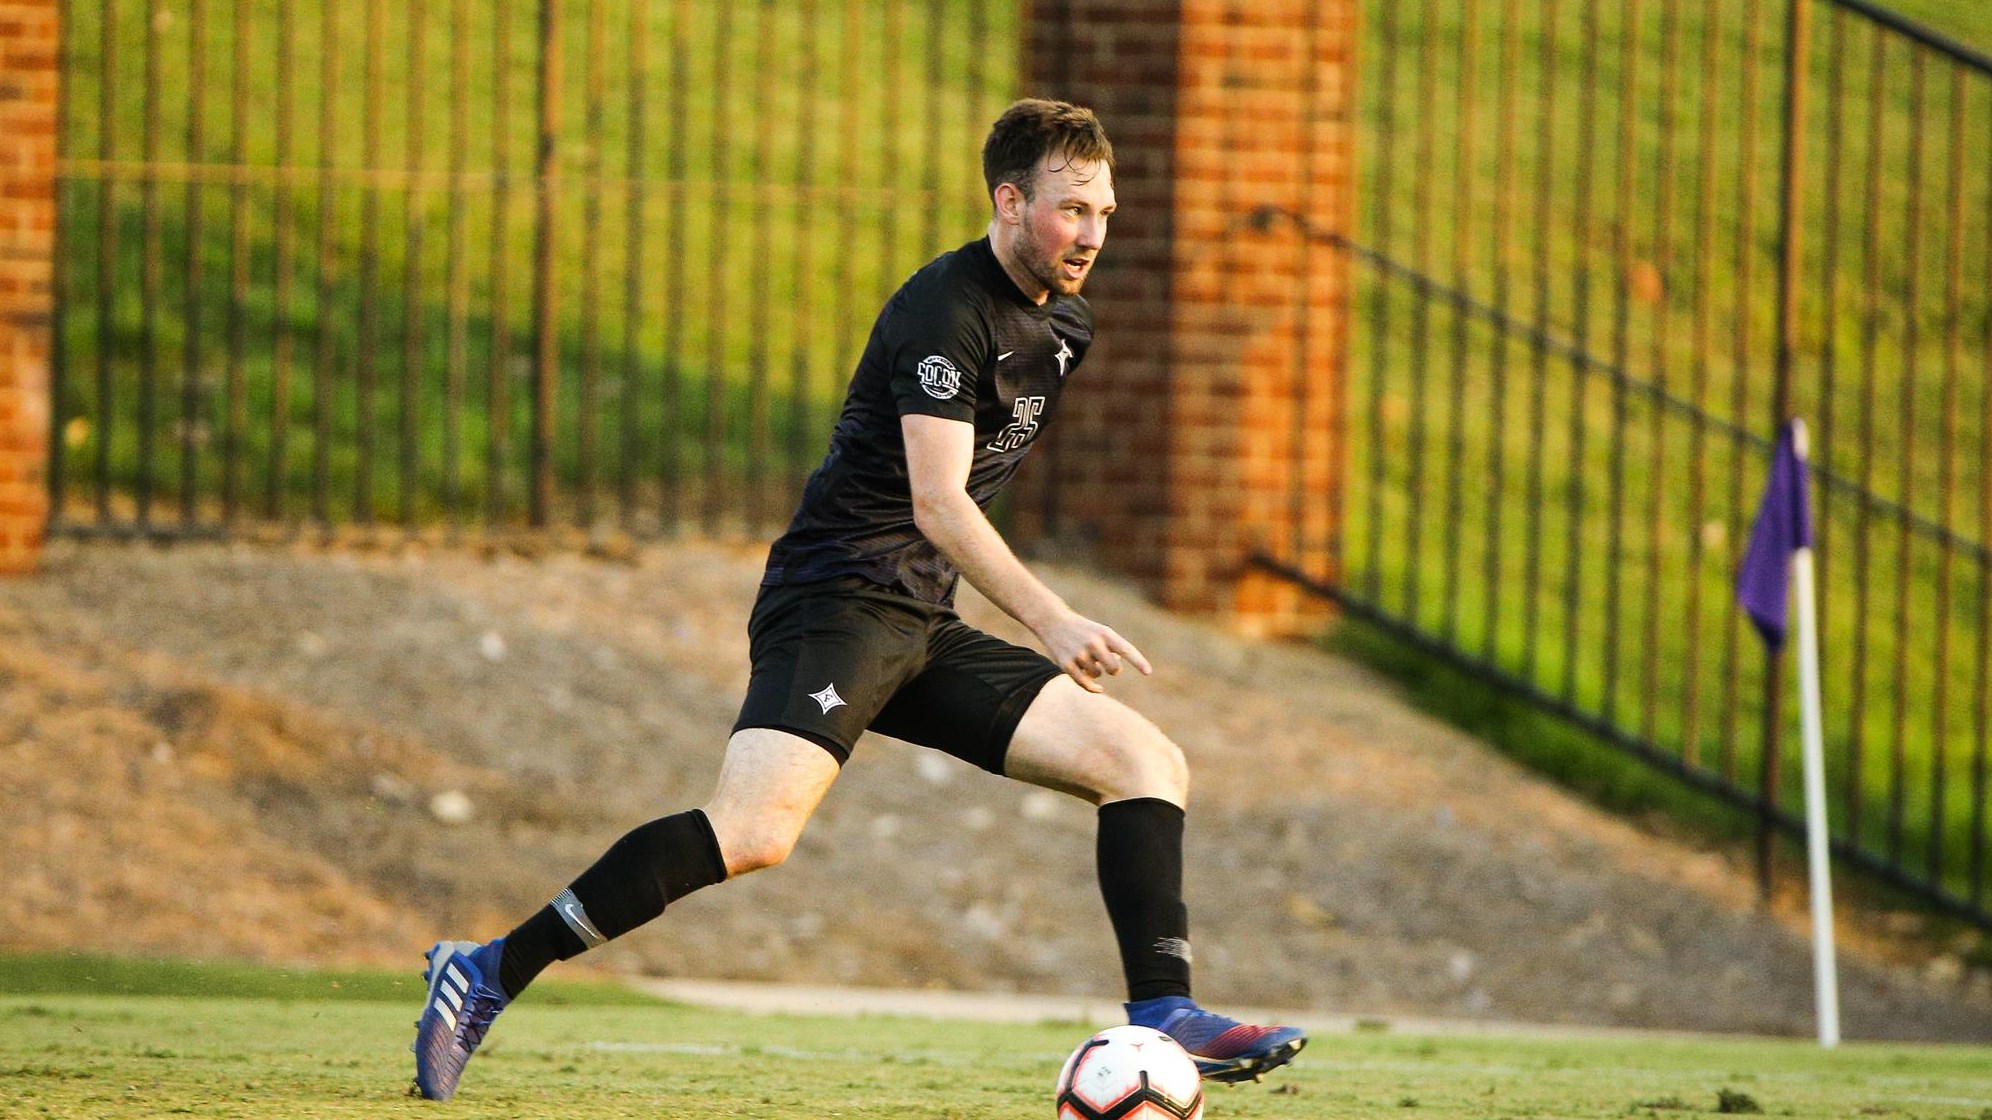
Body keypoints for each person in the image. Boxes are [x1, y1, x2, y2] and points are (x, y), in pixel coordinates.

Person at [411, 98, 1306, 1102]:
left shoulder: (1068, 323)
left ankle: (1164, 1012)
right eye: (1070, 210)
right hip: (835, 602)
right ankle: (486, 971)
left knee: (1144, 759)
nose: (1093, 234)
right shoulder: (943, 311)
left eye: (1104, 211)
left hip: (920, 620)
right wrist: (1050, 617)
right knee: (754, 833)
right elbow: (937, 502)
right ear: (1009, 203)